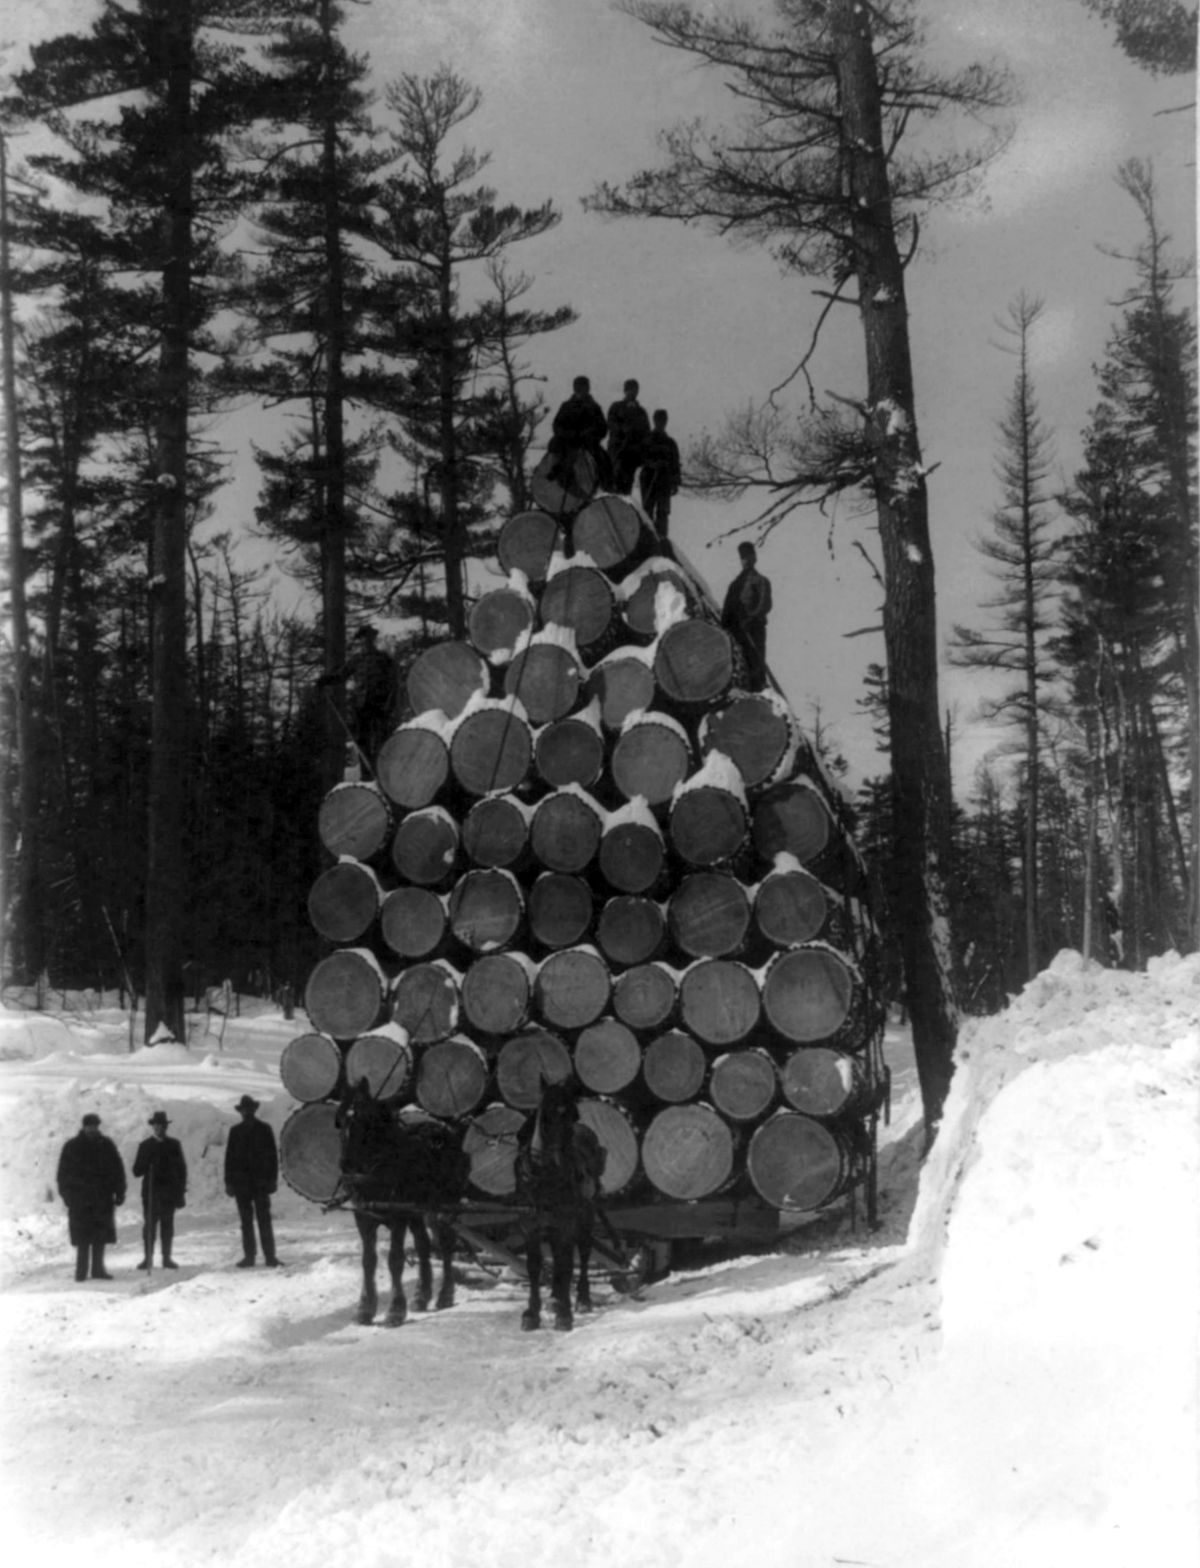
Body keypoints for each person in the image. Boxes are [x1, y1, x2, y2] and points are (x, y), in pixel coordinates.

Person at [56, 1113, 126, 1282]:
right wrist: (68, 1196)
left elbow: (117, 1170)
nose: (92, 1129)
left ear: (98, 1126)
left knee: (99, 1236)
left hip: (102, 1198)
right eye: (89, 1126)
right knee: (82, 1238)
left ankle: (97, 1270)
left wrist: (120, 1191)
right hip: (80, 1200)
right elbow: (62, 1175)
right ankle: (80, 1272)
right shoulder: (72, 1146)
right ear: (84, 1127)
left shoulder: (106, 1145)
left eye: (94, 1126)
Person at [318, 625, 396, 761]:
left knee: (381, 739)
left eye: (368, 638)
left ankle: (384, 769)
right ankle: (367, 774)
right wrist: (325, 680)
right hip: (361, 705)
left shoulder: (384, 659)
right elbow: (341, 676)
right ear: (360, 641)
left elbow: (393, 682)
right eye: (363, 639)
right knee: (361, 739)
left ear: (373, 639)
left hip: (379, 705)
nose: (365, 641)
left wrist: (390, 703)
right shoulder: (356, 660)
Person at [224, 1094, 281, 1268]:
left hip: (261, 1183)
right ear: (240, 1112)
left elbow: (272, 1156)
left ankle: (270, 1256)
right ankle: (249, 1256)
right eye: (244, 1110)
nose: (246, 1112)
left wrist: (272, 1180)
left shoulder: (265, 1129)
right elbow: (229, 1158)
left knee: (265, 1220)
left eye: (249, 1109)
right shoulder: (235, 1131)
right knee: (246, 1222)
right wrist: (229, 1182)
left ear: (254, 1110)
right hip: (242, 1184)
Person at [132, 1110, 187, 1270]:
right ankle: (147, 1259)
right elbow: (136, 1171)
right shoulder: (145, 1146)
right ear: (153, 1127)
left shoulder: (174, 1145)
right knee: (149, 1226)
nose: (159, 1128)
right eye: (156, 1125)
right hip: (151, 1194)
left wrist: (180, 1192)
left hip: (168, 1193)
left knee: (167, 1226)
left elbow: (181, 1171)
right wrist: (146, 1161)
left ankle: (166, 1258)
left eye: (162, 1125)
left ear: (166, 1127)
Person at [721, 542, 773, 691]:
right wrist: (725, 625)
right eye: (743, 558)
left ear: (754, 558)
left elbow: (765, 604)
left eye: (748, 557)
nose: (745, 561)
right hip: (736, 630)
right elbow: (728, 606)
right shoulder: (735, 584)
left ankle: (759, 689)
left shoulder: (761, 581)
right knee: (739, 663)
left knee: (756, 661)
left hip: (754, 629)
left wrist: (750, 619)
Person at [548, 374, 611, 493]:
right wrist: (569, 434)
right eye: (579, 388)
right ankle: (555, 471)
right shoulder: (566, 406)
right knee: (555, 446)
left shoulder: (594, 407)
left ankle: (604, 486)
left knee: (603, 460)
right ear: (575, 388)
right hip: (567, 442)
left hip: (588, 443)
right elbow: (557, 425)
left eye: (584, 387)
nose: (582, 391)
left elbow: (602, 428)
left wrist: (590, 434)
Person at [638, 408, 682, 536]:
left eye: (663, 421)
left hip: (664, 479)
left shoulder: (670, 443)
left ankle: (662, 539)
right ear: (654, 421)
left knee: (663, 511)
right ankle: (648, 538)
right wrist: (652, 464)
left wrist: (675, 482)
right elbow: (641, 457)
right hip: (649, 478)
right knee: (647, 510)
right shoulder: (647, 440)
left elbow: (675, 463)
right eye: (659, 420)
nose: (661, 423)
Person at [606, 378, 651, 496]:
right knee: (613, 485)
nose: (634, 392)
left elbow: (646, 433)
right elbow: (611, 424)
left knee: (626, 488)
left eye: (636, 390)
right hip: (617, 453)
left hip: (632, 456)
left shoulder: (641, 412)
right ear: (625, 391)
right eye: (631, 390)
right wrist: (623, 430)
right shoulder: (616, 407)